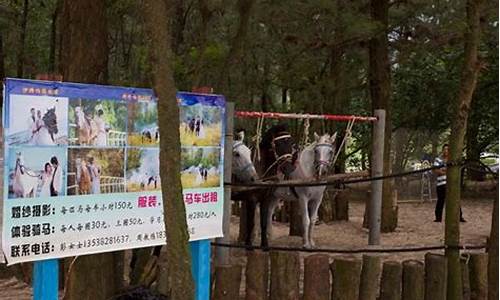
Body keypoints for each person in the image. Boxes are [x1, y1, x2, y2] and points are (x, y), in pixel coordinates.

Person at [433, 144, 466, 222]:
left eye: (447, 149)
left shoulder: (452, 160)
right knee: (440, 200)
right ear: (442, 150)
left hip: (451, 183)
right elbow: (435, 170)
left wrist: (444, 170)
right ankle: (438, 218)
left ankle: (459, 217)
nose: (446, 151)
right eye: (444, 149)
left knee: (455, 200)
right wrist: (445, 171)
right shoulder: (438, 159)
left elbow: (455, 171)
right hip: (441, 184)